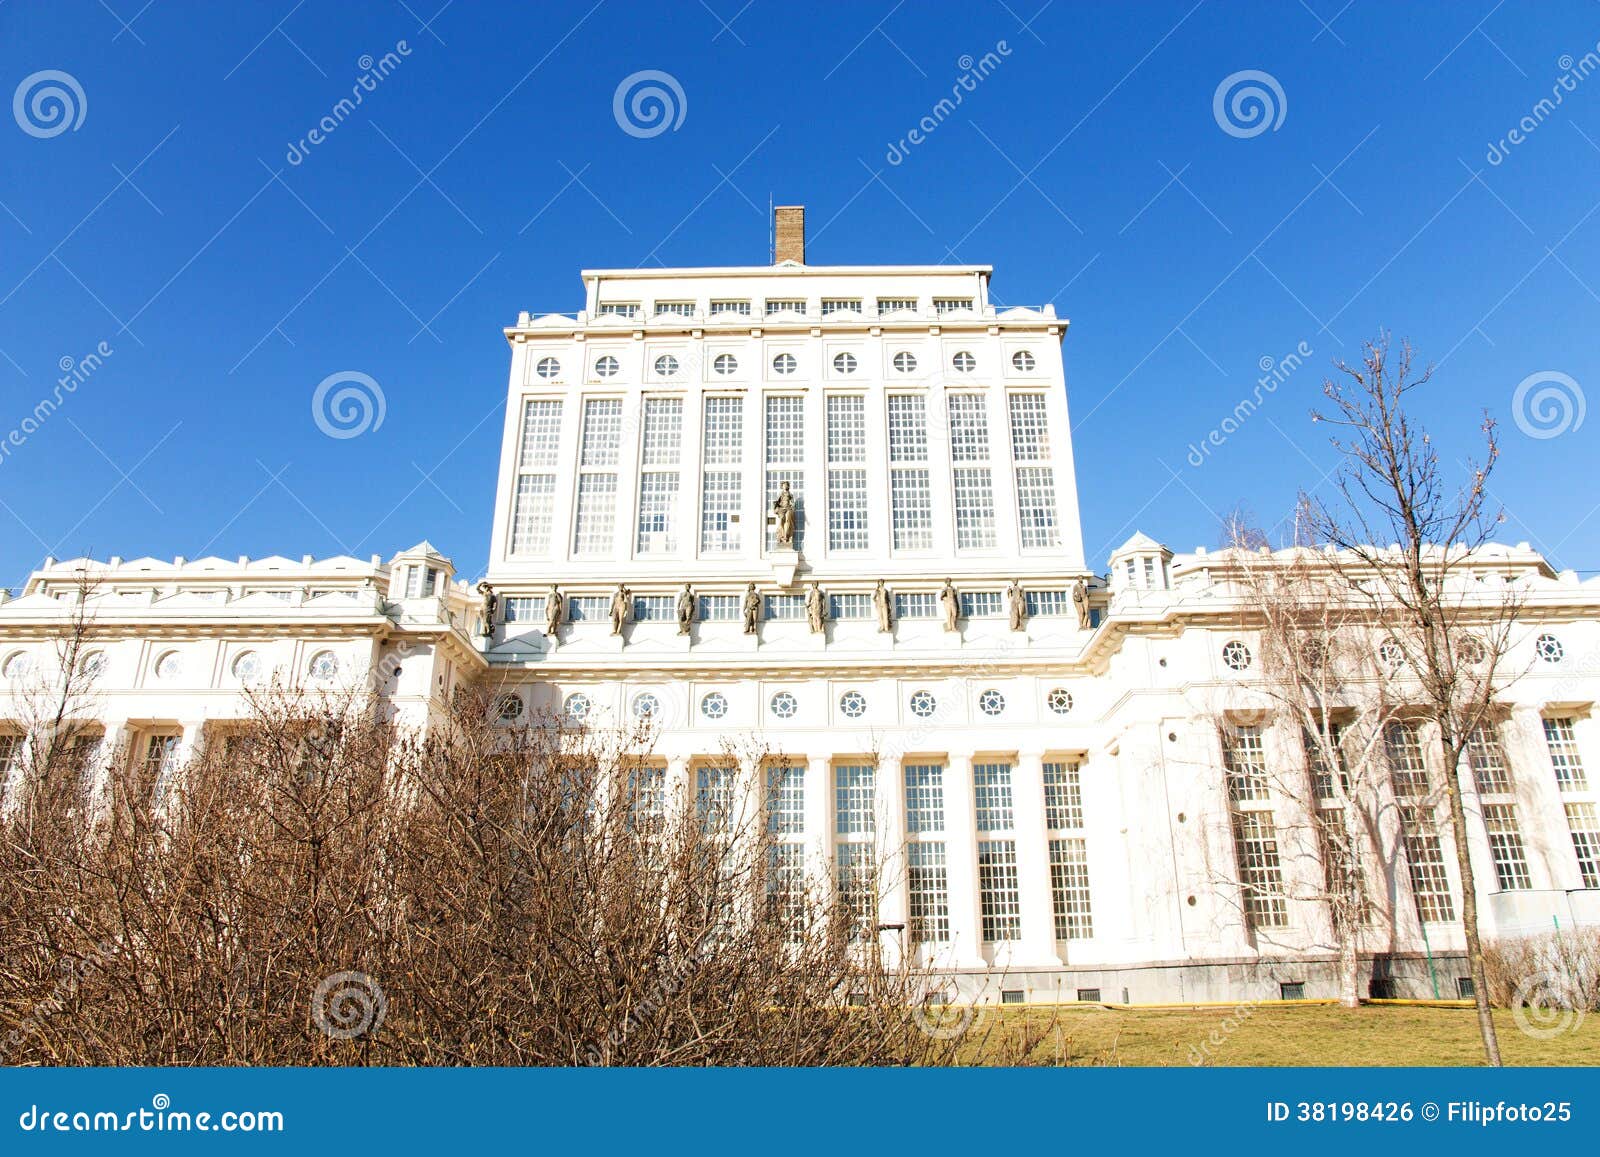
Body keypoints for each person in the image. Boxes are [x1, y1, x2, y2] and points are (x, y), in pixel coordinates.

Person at [773, 480, 797, 548]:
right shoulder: (780, 494)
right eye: (784, 485)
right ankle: (782, 535)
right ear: (782, 486)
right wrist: (775, 505)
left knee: (787, 520)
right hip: (781, 509)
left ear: (788, 486)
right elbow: (777, 501)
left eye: (786, 485)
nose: (785, 486)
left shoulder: (790, 494)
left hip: (788, 508)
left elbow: (792, 502)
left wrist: (792, 506)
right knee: (781, 521)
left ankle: (786, 536)